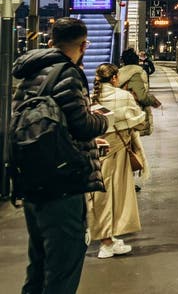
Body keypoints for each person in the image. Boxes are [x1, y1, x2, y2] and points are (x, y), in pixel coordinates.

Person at [11, 17, 108, 294]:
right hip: (62, 182)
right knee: (64, 265)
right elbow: (81, 124)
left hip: (32, 179)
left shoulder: (30, 74)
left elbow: (51, 123)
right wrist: (101, 122)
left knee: (39, 264)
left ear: (51, 42)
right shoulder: (68, 72)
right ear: (84, 45)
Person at [88, 63, 147, 259]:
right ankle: (107, 243)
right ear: (114, 79)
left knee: (101, 194)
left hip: (98, 147)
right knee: (119, 192)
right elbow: (139, 121)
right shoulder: (124, 96)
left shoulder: (91, 98)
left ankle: (108, 238)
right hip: (119, 147)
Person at [118, 48, 161, 136]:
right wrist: (153, 100)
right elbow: (141, 96)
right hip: (135, 113)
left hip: (121, 113)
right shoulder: (136, 74)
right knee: (135, 141)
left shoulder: (118, 73)